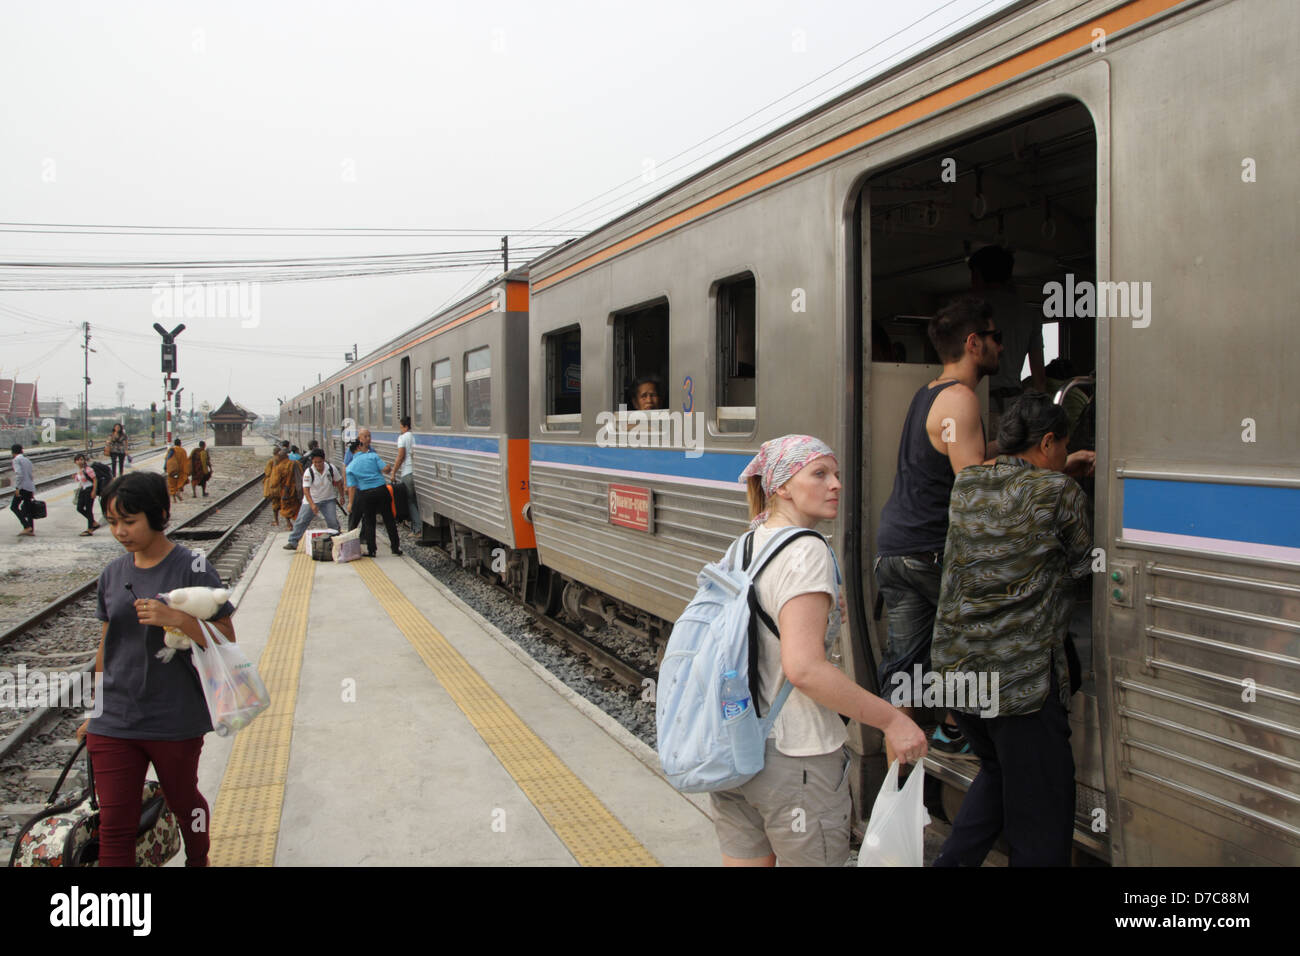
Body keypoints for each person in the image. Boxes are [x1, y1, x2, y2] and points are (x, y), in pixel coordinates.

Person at [711, 435, 928, 867]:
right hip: (797, 762)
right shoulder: (806, 549)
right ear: (782, 486)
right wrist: (891, 722)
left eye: (836, 474)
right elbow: (804, 669)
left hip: (735, 750)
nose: (836, 485)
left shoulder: (746, 544)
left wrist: (822, 617)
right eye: (820, 473)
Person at [931, 394, 1092, 867]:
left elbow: (1013, 502)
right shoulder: (1061, 493)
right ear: (1047, 443)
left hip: (961, 675)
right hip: (1020, 686)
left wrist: (1059, 474)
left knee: (999, 775)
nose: (1063, 455)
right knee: (1042, 820)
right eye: (1062, 446)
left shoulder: (967, 483)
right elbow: (1085, 567)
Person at [75, 471, 236, 866]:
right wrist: (93, 710)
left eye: (129, 521)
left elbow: (226, 636)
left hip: (173, 717)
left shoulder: (192, 567)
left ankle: (199, 858)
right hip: (114, 719)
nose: (119, 532)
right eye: (113, 522)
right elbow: (106, 645)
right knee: (114, 823)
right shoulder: (112, 574)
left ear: (159, 514)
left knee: (184, 803)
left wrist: (177, 619)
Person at [873, 297, 1002, 758]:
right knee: (983, 640)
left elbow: (950, 461)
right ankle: (959, 730)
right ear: (973, 343)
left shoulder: (927, 393)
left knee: (904, 672)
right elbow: (973, 485)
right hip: (931, 548)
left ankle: (897, 787)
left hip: (895, 548)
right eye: (996, 338)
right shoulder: (962, 399)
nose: (1001, 348)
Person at [968, 246, 1045, 436]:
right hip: (1015, 409)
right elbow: (1039, 377)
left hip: (978, 405)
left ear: (977, 275)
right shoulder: (1029, 314)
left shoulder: (970, 310)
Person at [346, 428, 401, 558]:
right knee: (389, 519)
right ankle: (395, 548)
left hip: (366, 494)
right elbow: (386, 469)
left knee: (370, 522)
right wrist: (387, 469)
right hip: (381, 491)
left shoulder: (350, 467)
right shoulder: (373, 456)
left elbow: (352, 487)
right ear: (359, 447)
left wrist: (351, 503)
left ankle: (372, 550)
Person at [284, 449, 343, 550]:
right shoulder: (309, 472)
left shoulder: (331, 468)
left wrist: (341, 496)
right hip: (311, 499)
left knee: (332, 521)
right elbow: (306, 490)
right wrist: (312, 504)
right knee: (302, 520)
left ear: (323, 460)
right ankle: (293, 541)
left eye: (319, 462)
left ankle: (336, 540)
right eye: (315, 462)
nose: (318, 464)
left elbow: (338, 482)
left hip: (328, 499)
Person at [388, 415, 421, 537]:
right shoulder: (416, 436)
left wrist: (393, 472)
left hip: (408, 472)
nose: (400, 429)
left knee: (410, 501)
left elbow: (401, 456)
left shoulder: (402, 438)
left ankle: (417, 529)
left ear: (406, 427)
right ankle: (417, 526)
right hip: (418, 472)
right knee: (417, 500)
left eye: (401, 427)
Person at [9, 443, 38, 536]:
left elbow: (19, 474)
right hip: (29, 487)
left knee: (13, 506)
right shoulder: (27, 460)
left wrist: (17, 487)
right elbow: (31, 476)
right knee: (28, 508)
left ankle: (26, 526)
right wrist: (32, 489)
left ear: (13, 452)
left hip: (22, 487)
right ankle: (31, 529)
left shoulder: (16, 460)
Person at [273, 447, 304, 525]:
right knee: (297, 506)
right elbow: (301, 475)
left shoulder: (279, 467)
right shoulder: (295, 463)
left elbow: (275, 482)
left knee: (286, 507)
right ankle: (297, 522)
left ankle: (289, 524)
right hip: (296, 489)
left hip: (285, 490)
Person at [72, 453, 101, 535]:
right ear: (75, 462)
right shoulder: (79, 471)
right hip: (83, 490)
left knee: (89, 509)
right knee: (79, 508)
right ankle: (94, 523)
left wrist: (94, 491)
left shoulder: (88, 469)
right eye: (78, 460)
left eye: (82, 459)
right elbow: (80, 481)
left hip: (90, 489)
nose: (80, 461)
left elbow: (95, 480)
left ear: (84, 461)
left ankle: (90, 529)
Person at [164, 439, 189, 504]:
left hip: (173, 470)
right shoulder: (183, 451)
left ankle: (174, 499)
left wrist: (165, 467)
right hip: (181, 471)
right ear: (180, 443)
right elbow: (186, 461)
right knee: (181, 482)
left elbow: (167, 459)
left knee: (172, 484)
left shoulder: (171, 450)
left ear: (175, 444)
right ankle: (178, 492)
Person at [263, 447, 284, 528]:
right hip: (282, 485)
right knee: (285, 505)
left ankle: (276, 521)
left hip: (274, 486)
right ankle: (289, 523)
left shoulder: (271, 461)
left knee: (275, 505)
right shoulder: (283, 461)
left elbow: (267, 473)